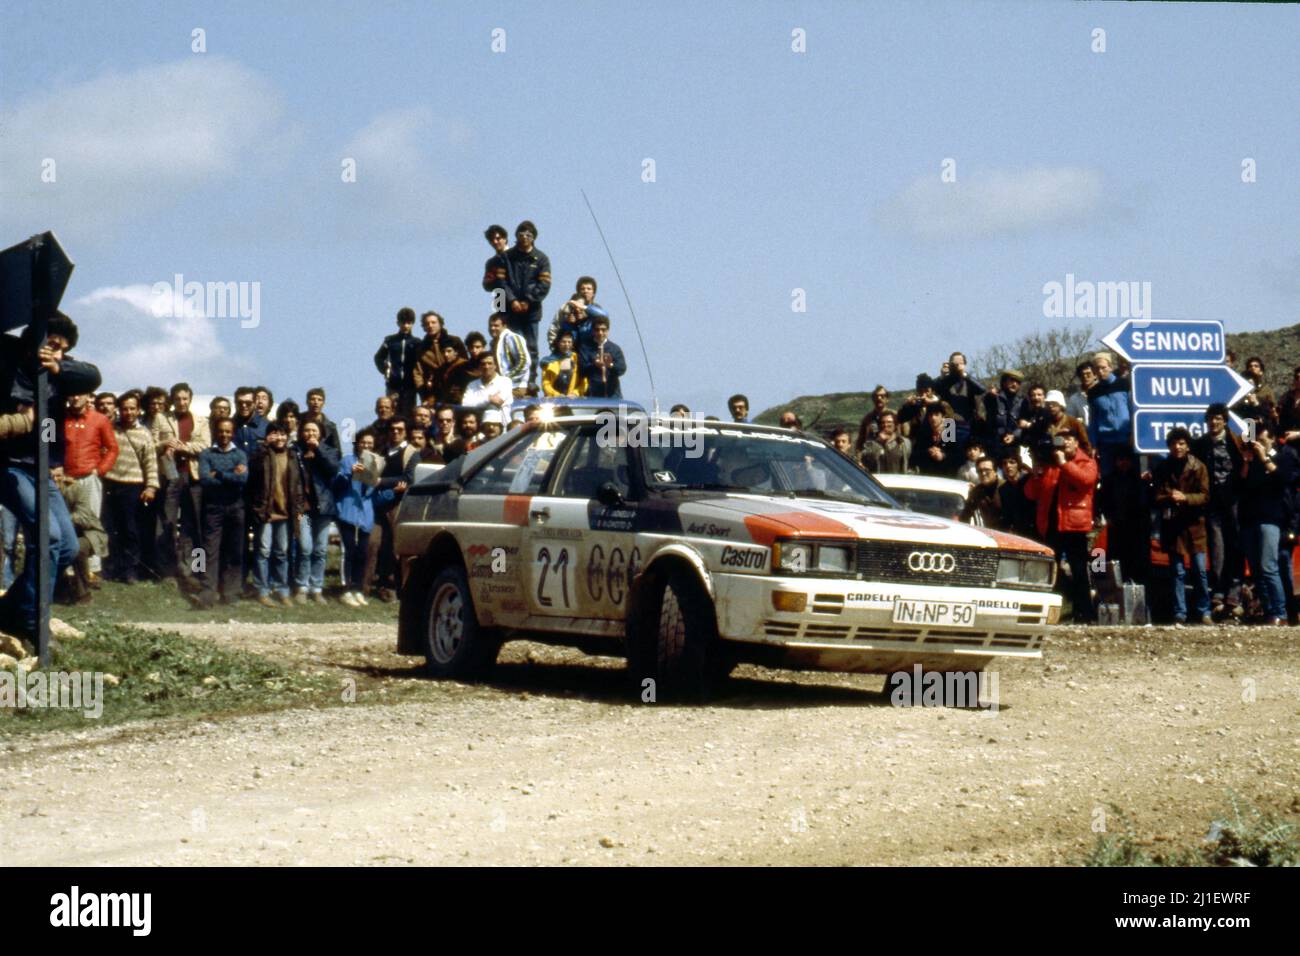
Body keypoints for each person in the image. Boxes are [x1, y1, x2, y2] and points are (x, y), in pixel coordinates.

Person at [0, 313, 101, 641]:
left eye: (63, 348)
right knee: (49, 538)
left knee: (69, 546)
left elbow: (92, 375)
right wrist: (22, 421)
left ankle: (10, 610)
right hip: (9, 466)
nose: (57, 352)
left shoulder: (59, 369)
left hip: (41, 469)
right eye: (52, 344)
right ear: (36, 338)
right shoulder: (8, 360)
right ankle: (31, 621)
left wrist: (58, 366)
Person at [1025, 432, 1098, 623]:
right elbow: (1032, 494)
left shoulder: (1086, 462)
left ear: (1077, 443)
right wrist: (1036, 475)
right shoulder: (1051, 466)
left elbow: (1085, 481)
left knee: (1079, 570)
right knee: (1049, 570)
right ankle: (1049, 613)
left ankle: (1085, 614)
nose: (1065, 442)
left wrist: (1064, 463)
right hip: (1051, 525)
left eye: (1069, 438)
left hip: (1074, 526)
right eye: (1061, 438)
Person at [153, 383, 211, 592]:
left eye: (185, 398)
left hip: (193, 475)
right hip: (170, 475)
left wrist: (184, 447)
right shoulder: (162, 418)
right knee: (167, 523)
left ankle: (195, 569)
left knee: (194, 524)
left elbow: (205, 445)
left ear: (190, 399)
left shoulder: (200, 421)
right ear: (173, 400)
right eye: (178, 399)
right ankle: (167, 571)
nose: (181, 402)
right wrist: (165, 444)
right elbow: (151, 442)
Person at [1237, 423, 1296, 625]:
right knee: (1256, 570)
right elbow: (1241, 484)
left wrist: (1264, 459)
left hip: (1271, 519)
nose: (1258, 444)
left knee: (1268, 566)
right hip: (1249, 520)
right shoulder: (1251, 461)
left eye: (1262, 441)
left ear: (1271, 439)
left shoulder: (1283, 457)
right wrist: (1247, 461)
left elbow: (1283, 479)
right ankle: (1268, 610)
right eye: (1256, 441)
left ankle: (1280, 612)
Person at [1152, 427, 1212, 625]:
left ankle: (1204, 611)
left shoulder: (1199, 467)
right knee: (1176, 571)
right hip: (1173, 526)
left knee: (1200, 570)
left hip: (1195, 525)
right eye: (1173, 444)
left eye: (1181, 443)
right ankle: (1180, 613)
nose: (1177, 447)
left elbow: (1205, 496)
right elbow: (1157, 496)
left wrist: (1185, 497)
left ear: (1187, 446)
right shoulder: (1162, 468)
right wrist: (1170, 497)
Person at [1192, 403, 1245, 616]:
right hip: (1212, 503)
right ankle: (1218, 591)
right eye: (1211, 419)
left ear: (1225, 421)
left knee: (1236, 545)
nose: (1214, 422)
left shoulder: (1237, 440)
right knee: (1217, 549)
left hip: (1234, 501)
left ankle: (1235, 592)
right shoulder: (1201, 444)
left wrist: (1251, 409)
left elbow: (1252, 432)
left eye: (1218, 419)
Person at [102, 390, 159, 585]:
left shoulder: (145, 434)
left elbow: (151, 463)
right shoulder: (110, 429)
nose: (128, 412)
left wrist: (151, 487)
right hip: (110, 483)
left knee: (131, 530)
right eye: (124, 408)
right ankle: (111, 568)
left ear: (138, 410)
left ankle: (131, 570)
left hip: (133, 486)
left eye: (132, 408)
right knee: (110, 528)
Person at [248, 422, 307, 607]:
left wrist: (298, 511)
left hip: (285, 512)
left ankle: (282, 590)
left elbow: (297, 486)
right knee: (263, 551)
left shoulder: (292, 456)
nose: (279, 438)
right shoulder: (262, 454)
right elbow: (253, 467)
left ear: (288, 437)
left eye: (283, 434)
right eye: (275, 434)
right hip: (266, 511)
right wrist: (264, 445)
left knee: (282, 552)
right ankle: (262, 590)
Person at [63, 391, 118, 582]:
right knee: (66, 522)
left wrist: (100, 470)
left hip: (89, 478)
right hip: (64, 479)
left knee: (91, 523)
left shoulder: (100, 420)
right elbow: (47, 442)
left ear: (88, 397)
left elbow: (112, 448)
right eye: (72, 394)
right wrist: (53, 468)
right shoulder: (56, 417)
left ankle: (92, 570)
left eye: (80, 394)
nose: (75, 397)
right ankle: (69, 569)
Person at [195, 417, 248, 608]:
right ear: (215, 432)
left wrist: (218, 474)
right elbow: (204, 479)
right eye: (221, 431)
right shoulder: (206, 454)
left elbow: (242, 480)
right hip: (213, 507)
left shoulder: (240, 454)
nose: (224, 435)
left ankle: (231, 593)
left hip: (236, 506)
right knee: (209, 551)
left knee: (234, 551)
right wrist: (231, 475)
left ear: (232, 433)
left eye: (228, 431)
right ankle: (207, 592)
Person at [334, 429, 384, 607]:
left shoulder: (375, 463)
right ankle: (346, 588)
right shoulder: (347, 460)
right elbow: (337, 484)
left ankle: (357, 588)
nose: (366, 446)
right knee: (349, 550)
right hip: (347, 511)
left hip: (365, 514)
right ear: (357, 444)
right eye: (363, 442)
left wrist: (378, 484)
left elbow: (372, 492)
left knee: (363, 552)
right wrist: (349, 474)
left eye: (370, 443)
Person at [295, 419, 340, 604]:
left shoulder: (329, 451)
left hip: (323, 506)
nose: (310, 434)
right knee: (305, 548)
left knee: (320, 550)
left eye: (314, 431)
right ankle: (301, 587)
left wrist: (318, 449)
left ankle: (317, 588)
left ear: (320, 434)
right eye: (306, 430)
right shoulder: (296, 452)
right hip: (303, 509)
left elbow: (333, 469)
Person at [501, 221, 552, 386]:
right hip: (510, 310)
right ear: (515, 236)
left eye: (528, 235)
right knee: (511, 345)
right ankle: (512, 381)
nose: (524, 238)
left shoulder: (541, 258)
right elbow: (501, 282)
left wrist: (528, 300)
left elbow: (544, 284)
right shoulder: (507, 257)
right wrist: (512, 300)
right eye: (521, 235)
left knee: (531, 347)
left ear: (534, 238)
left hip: (532, 311)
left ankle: (530, 381)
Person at [1087, 351, 1133, 478]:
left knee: (1130, 477)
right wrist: (1094, 444)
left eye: (1103, 368)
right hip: (1106, 443)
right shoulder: (1093, 392)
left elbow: (1133, 410)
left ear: (1110, 367)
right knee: (1109, 479)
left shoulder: (1124, 384)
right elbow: (1093, 420)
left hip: (1126, 440)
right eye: (1097, 369)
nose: (1100, 372)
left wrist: (1133, 434)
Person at [545, 275, 608, 358]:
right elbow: (554, 327)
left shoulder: (596, 309)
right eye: (583, 289)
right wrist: (555, 348)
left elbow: (604, 316)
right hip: (569, 351)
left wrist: (584, 307)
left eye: (589, 289)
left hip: (590, 351)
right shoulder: (567, 308)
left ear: (593, 293)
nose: (585, 291)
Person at [373, 307, 421, 412]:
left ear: (413, 323)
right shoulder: (390, 341)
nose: (405, 326)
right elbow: (378, 357)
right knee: (392, 412)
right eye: (403, 323)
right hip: (393, 385)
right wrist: (385, 370)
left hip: (410, 386)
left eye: (408, 323)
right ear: (398, 323)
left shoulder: (417, 343)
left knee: (409, 414)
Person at [936, 351, 986, 445]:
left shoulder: (968, 380)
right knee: (948, 451)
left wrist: (965, 375)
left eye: (960, 363)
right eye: (954, 363)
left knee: (966, 450)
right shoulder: (946, 381)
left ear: (965, 364)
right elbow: (935, 390)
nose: (957, 366)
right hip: (948, 423)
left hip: (967, 422)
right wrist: (942, 376)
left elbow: (982, 389)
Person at [580, 316, 627, 399]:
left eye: (603, 330)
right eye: (597, 330)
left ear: (608, 331)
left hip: (613, 396)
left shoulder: (615, 349)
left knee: (620, 410)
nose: (600, 333)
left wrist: (610, 365)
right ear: (593, 331)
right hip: (592, 396)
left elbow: (622, 369)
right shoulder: (585, 348)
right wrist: (594, 365)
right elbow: (582, 370)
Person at [909, 403, 961, 477]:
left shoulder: (950, 432)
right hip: (928, 476)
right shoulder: (924, 434)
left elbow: (957, 456)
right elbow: (914, 456)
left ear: (942, 416)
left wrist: (943, 455)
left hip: (946, 476)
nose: (933, 418)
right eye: (930, 415)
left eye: (936, 415)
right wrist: (929, 451)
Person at [489, 312, 531, 400]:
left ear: (504, 326)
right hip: (500, 386)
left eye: (496, 326)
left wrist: (506, 378)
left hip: (515, 387)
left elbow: (524, 361)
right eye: (491, 326)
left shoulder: (512, 338)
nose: (492, 328)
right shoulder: (493, 343)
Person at [462, 353, 514, 422]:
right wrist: (488, 399)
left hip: (502, 425)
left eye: (490, 363)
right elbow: (465, 405)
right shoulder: (472, 385)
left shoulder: (505, 382)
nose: (486, 367)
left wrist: (476, 402)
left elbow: (498, 401)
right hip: (480, 426)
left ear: (495, 365)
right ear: (479, 367)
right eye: (483, 364)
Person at [411, 311, 450, 405]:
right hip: (432, 392)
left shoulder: (453, 341)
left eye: (433, 322)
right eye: (427, 324)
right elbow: (417, 374)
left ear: (440, 324)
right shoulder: (421, 349)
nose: (430, 326)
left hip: (453, 390)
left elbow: (463, 364)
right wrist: (424, 395)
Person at [982, 370, 1025, 451]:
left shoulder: (1023, 401)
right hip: (994, 442)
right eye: (1012, 380)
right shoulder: (994, 397)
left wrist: (1014, 435)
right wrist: (990, 395)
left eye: (1018, 382)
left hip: (1015, 443)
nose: (1014, 384)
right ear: (1004, 381)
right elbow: (986, 400)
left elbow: (1024, 424)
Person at [996, 454, 1036, 539]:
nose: (1008, 466)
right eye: (1004, 463)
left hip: (1035, 528)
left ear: (1018, 465)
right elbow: (1007, 515)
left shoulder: (1029, 480)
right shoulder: (1003, 489)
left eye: (1012, 462)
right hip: (1020, 532)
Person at [541, 329, 586, 397]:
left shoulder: (578, 359)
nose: (566, 344)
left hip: (574, 401)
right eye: (563, 342)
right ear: (558, 343)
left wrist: (575, 393)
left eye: (569, 342)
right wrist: (557, 395)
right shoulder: (548, 362)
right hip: (553, 401)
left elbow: (584, 382)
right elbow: (546, 384)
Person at [962, 457, 1002, 525]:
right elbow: (965, 515)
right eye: (980, 471)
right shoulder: (977, 492)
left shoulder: (1006, 488)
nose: (983, 473)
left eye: (987, 470)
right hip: (991, 532)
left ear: (995, 471)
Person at [854, 386, 892, 452]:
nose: (879, 398)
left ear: (887, 399)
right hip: (872, 455)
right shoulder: (867, 419)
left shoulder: (895, 416)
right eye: (876, 396)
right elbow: (860, 441)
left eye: (882, 396)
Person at [304, 388, 342, 453]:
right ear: (307, 401)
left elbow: (337, 452)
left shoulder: (331, 427)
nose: (316, 402)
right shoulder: (298, 421)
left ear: (323, 403)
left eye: (319, 400)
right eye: (313, 399)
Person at [480, 224, 510, 304]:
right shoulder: (491, 263)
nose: (495, 242)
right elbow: (486, 285)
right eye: (492, 240)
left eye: (498, 238)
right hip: (501, 302)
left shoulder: (517, 256)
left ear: (505, 238)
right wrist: (499, 281)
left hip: (519, 302)